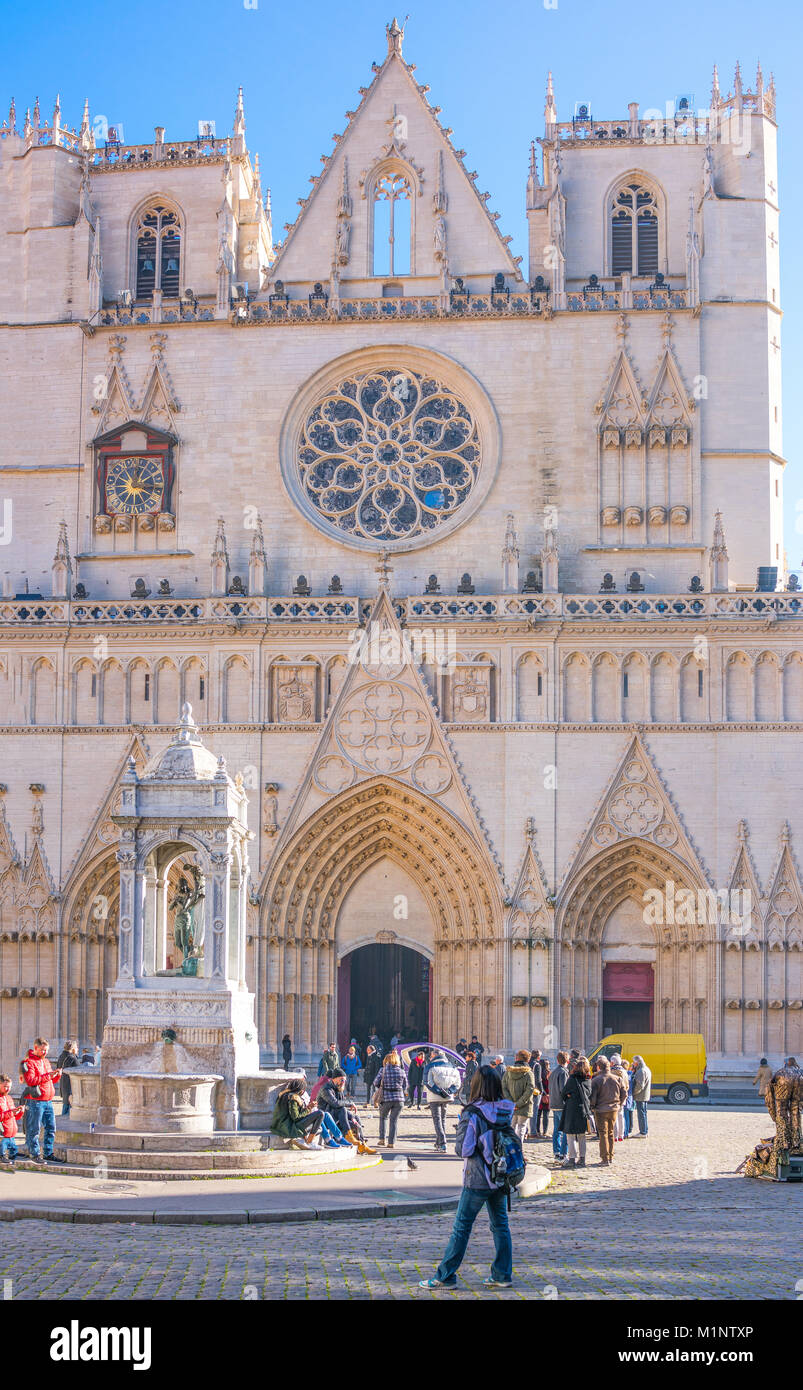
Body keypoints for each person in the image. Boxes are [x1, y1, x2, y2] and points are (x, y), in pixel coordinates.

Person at [419, 1067, 514, 1290]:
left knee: (461, 1228)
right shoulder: (505, 1109)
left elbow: (464, 1149)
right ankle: (502, 1274)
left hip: (478, 1179)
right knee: (501, 1226)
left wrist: (462, 1126)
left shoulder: (471, 1113)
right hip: (500, 1177)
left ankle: (445, 1276)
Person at [23, 1037, 62, 1165]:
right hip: (36, 1101)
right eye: (42, 1050)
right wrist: (47, 1076)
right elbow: (31, 1081)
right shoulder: (29, 1062)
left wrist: (56, 1076)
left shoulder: (45, 1062)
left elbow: (50, 1081)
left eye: (46, 1050)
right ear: (35, 1048)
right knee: (35, 1129)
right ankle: (34, 1154)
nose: (45, 1053)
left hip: (48, 1101)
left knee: (51, 1128)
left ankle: (48, 1153)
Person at [318, 1069, 375, 1154]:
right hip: (325, 1118)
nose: (343, 1082)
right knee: (343, 1109)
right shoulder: (326, 1089)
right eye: (341, 1079)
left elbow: (340, 1106)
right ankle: (348, 1136)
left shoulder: (339, 1089)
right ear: (334, 1079)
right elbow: (335, 1104)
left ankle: (362, 1145)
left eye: (344, 1080)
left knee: (355, 1118)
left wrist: (351, 1117)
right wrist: (349, 1103)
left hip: (336, 1116)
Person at [590, 1056, 627, 1166]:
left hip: (601, 1109)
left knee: (603, 1134)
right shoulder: (617, 1078)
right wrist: (619, 1103)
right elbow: (624, 1093)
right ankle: (610, 1156)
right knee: (611, 1133)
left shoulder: (596, 1080)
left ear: (598, 1067)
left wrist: (592, 1106)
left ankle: (605, 1158)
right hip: (613, 1108)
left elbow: (593, 1097)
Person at [270, 1078, 326, 1150]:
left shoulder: (285, 1095)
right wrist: (309, 1108)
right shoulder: (293, 1098)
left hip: (281, 1125)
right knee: (320, 1114)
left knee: (319, 1125)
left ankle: (304, 1139)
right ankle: (309, 1142)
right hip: (289, 1127)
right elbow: (296, 1118)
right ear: (301, 1090)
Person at [424, 1050, 462, 1152]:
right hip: (447, 1097)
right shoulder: (453, 1067)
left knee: (437, 1120)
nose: (430, 1057)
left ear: (435, 1055)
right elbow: (458, 1083)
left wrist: (439, 1092)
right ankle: (438, 1143)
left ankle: (442, 1143)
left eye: (431, 1055)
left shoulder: (430, 1066)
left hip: (434, 1097)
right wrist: (449, 1091)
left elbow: (427, 1082)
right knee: (442, 1120)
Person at [559, 1057, 592, 1169]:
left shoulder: (572, 1079)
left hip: (572, 1110)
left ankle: (572, 1159)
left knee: (571, 1135)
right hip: (584, 1109)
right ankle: (582, 1159)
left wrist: (569, 1096)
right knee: (582, 1136)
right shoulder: (588, 1080)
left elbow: (563, 1093)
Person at [372, 1049, 407, 1148]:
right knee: (394, 1120)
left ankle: (382, 1139)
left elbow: (375, 1082)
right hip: (399, 1099)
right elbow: (405, 1085)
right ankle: (391, 1142)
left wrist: (382, 1086)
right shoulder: (402, 1071)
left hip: (386, 1098)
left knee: (383, 1118)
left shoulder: (382, 1070)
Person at [501, 1050, 536, 1143]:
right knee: (521, 1128)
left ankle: (511, 1150)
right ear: (527, 1060)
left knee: (512, 1127)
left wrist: (511, 1103)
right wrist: (518, 1104)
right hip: (524, 1106)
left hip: (511, 1106)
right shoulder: (529, 1073)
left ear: (516, 1058)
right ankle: (518, 1150)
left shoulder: (507, 1072)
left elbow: (504, 1088)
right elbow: (530, 1089)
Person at [548, 1051, 569, 1159]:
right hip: (561, 1104)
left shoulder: (554, 1072)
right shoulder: (563, 1072)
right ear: (567, 1061)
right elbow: (563, 1089)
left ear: (557, 1060)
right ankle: (563, 1153)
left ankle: (556, 1152)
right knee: (565, 1130)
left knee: (557, 1130)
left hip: (554, 1103)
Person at [0, 1074, 24, 1169]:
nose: (7, 1089)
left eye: (9, 1087)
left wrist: (19, 1112)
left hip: (12, 1134)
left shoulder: (9, 1098)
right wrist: (11, 1112)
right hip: (3, 1135)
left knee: (13, 1156)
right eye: (5, 1086)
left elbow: (15, 1117)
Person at [609, 1054, 630, 1142]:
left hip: (614, 1096)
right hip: (623, 1096)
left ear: (612, 1062)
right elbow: (627, 1085)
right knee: (621, 1116)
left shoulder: (611, 1072)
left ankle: (615, 1136)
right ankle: (621, 1135)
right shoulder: (625, 1072)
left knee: (614, 1117)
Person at [56, 1039, 79, 1118]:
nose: (77, 1049)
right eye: (76, 1048)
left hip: (63, 1083)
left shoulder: (61, 1056)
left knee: (65, 1105)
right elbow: (78, 1072)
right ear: (73, 1049)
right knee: (69, 1108)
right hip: (71, 1085)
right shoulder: (72, 1058)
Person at [631, 1055, 652, 1136]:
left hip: (641, 1096)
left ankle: (643, 1132)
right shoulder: (646, 1069)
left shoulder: (641, 1071)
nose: (633, 1064)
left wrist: (633, 1093)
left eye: (633, 1062)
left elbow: (640, 1085)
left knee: (641, 1114)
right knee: (643, 1113)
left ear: (637, 1062)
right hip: (645, 1095)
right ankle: (645, 1131)